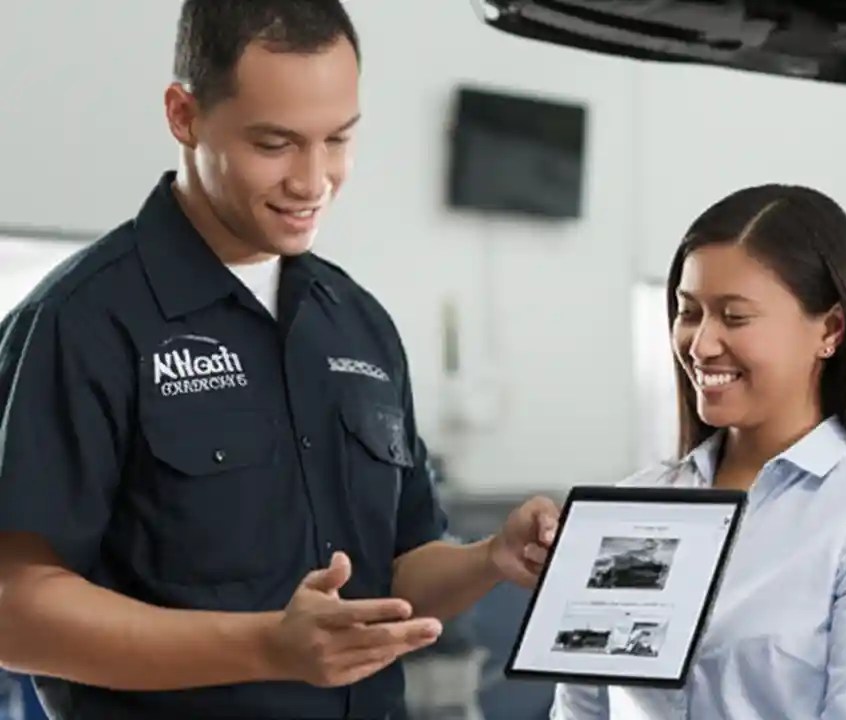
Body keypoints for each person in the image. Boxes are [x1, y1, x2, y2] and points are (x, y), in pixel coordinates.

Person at [0, 2, 557, 719]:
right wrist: (268, 647)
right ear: (184, 115)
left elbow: (397, 569)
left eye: (338, 140)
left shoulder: (356, 324)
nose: (313, 180)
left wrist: (488, 560)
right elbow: (15, 610)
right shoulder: (82, 323)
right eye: (276, 144)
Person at [551, 185, 846, 719]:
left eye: (734, 317)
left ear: (829, 330)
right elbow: (580, 710)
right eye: (689, 312)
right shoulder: (635, 506)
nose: (700, 343)